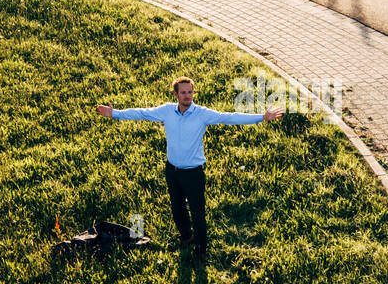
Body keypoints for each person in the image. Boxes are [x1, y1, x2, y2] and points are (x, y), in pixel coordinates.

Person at [97, 77, 283, 260]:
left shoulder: (202, 114)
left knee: (197, 213)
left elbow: (229, 117)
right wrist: (115, 113)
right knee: (177, 209)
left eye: (190, 92)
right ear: (176, 94)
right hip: (172, 171)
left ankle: (201, 250)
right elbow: (142, 113)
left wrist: (262, 117)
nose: (188, 96)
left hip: (194, 173)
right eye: (183, 92)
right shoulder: (167, 111)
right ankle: (186, 237)